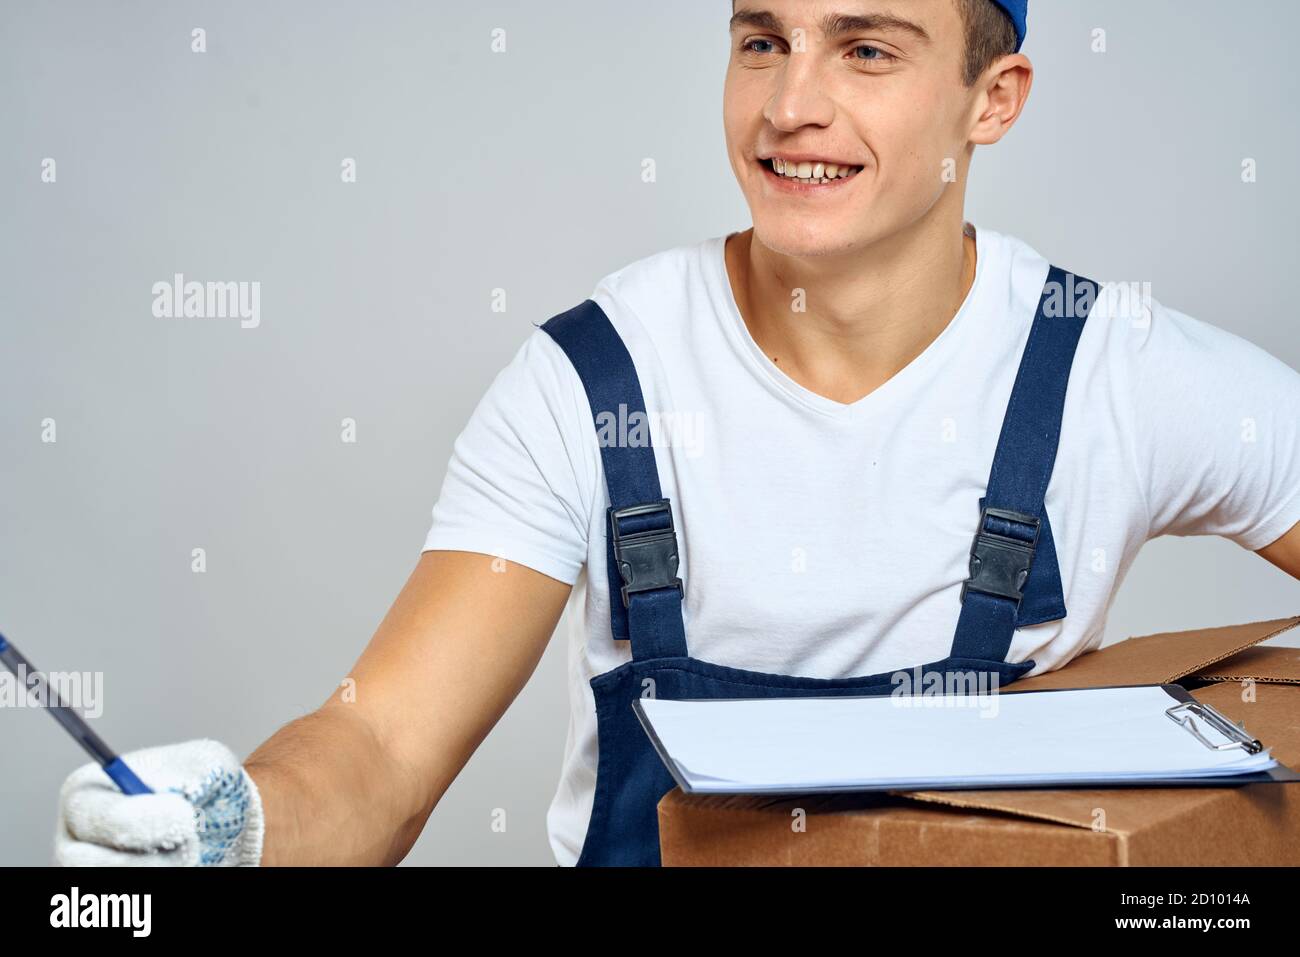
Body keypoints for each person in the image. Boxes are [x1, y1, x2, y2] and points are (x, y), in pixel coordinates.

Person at [55, 0, 1300, 867]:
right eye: (762, 41)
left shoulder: (1106, 367)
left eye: (866, 49)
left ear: (994, 98)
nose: (790, 104)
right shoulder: (596, 378)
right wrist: (243, 826)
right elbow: (381, 744)